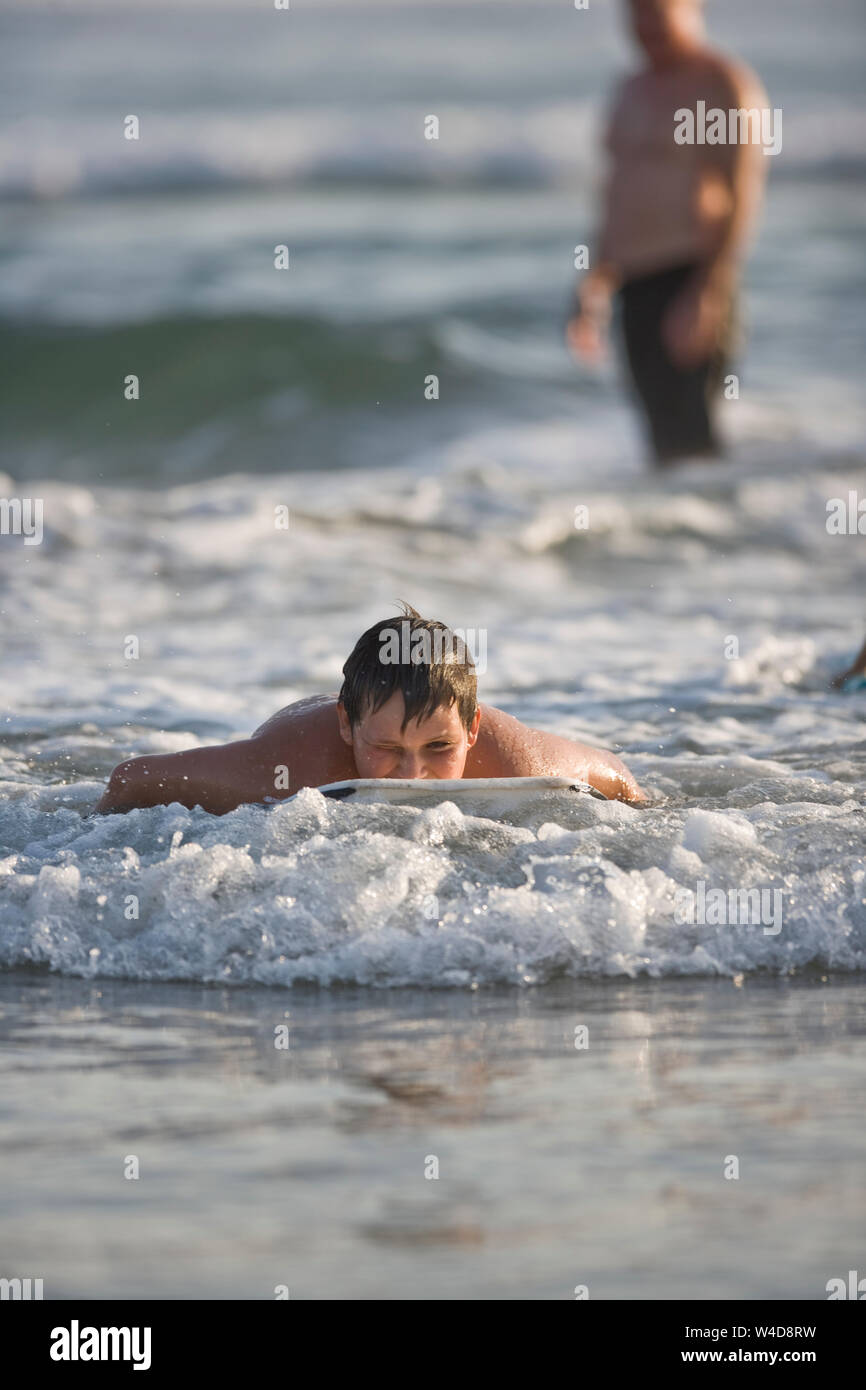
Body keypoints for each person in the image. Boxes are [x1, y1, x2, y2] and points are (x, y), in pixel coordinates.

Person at [94, 604, 646, 814]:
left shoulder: (519, 763)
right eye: (386, 749)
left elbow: (619, 777)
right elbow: (131, 780)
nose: (413, 775)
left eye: (439, 747)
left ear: (473, 729)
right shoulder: (290, 768)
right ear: (347, 725)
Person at [567, 0, 768, 465]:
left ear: (691, 9)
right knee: (658, 437)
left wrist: (709, 291)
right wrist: (593, 280)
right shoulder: (629, 88)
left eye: (658, 11)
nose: (645, 24)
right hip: (633, 284)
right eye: (636, 12)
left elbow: (743, 193)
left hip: (689, 278)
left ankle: (714, 534)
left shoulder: (719, 84)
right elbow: (617, 191)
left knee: (692, 440)